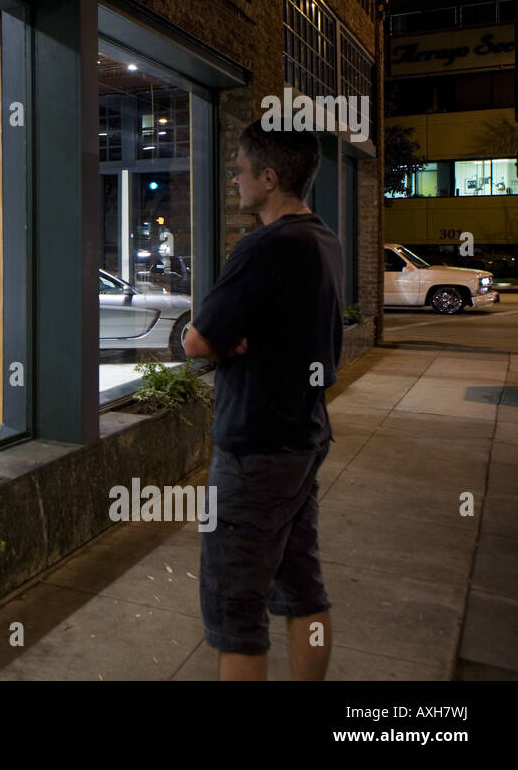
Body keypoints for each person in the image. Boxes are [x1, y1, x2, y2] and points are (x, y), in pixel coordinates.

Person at [183, 120, 344, 680]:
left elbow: (197, 339)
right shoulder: (322, 237)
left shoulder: (263, 247)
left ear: (269, 177)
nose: (233, 181)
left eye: (241, 171)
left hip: (255, 450)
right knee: (303, 588)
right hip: (303, 436)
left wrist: (215, 338)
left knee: (237, 615)